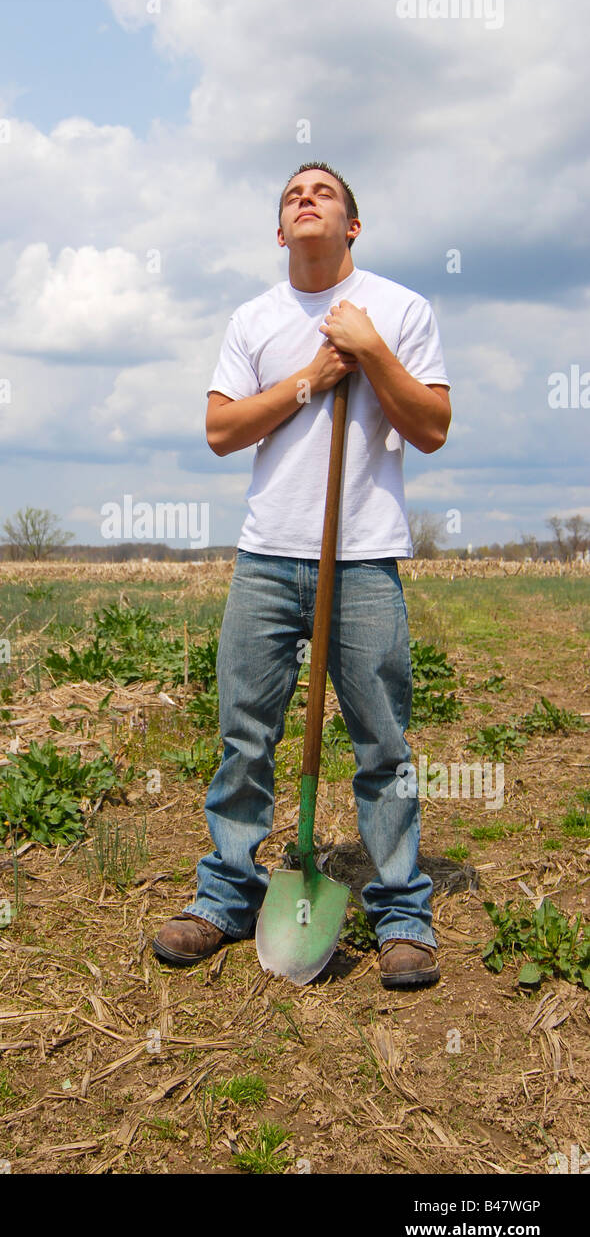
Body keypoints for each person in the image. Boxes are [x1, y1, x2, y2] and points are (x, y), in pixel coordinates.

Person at [152, 162, 452, 989]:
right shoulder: (254, 318)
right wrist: (310, 381)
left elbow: (431, 427)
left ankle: (402, 914)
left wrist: (370, 352)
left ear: (352, 225)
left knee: (382, 741)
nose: (306, 198)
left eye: (324, 192)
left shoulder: (399, 310)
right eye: (292, 195)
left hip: (361, 557)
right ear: (279, 233)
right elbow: (220, 430)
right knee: (244, 732)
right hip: (266, 555)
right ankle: (227, 895)